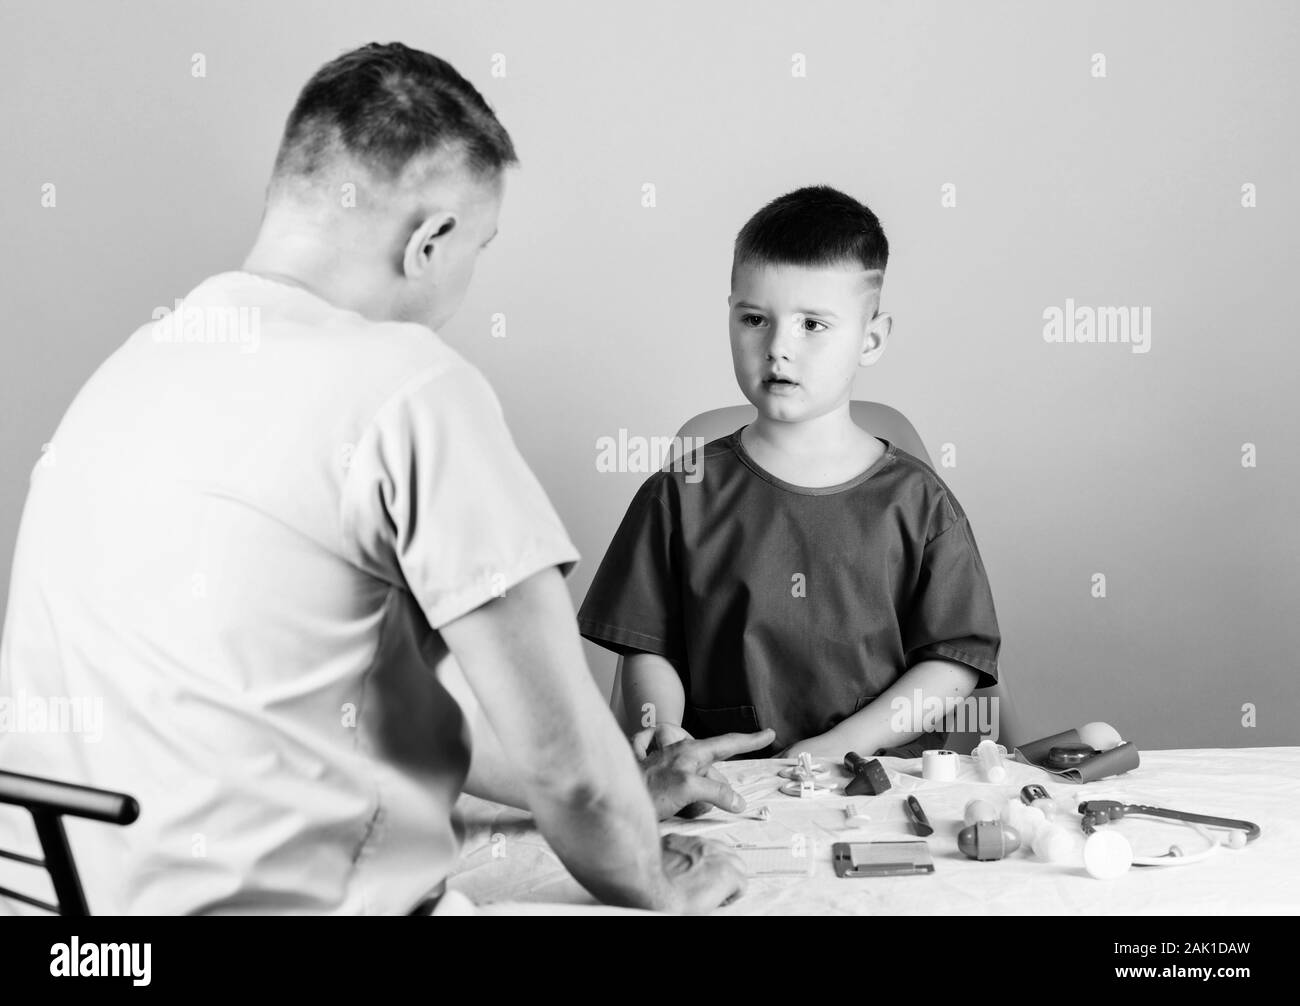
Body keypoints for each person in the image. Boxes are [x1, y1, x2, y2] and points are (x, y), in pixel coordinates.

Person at [0, 42, 770, 916]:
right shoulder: (409, 386)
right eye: (477, 247)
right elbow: (571, 771)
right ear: (430, 241)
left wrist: (631, 789)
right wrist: (656, 874)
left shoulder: (125, 377)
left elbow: (362, 704)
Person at [577, 185, 1003, 762]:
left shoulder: (920, 503)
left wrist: (835, 749)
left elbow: (952, 664)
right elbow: (649, 648)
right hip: (725, 789)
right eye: (754, 318)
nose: (778, 348)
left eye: (813, 325)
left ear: (870, 340)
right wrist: (667, 728)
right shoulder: (678, 494)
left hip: (873, 786)